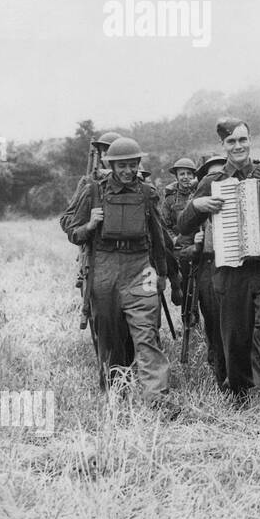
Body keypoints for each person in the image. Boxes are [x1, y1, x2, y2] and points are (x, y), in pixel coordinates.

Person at [177, 117, 260, 420]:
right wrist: (198, 207)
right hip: (230, 270)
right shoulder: (211, 183)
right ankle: (238, 394)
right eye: (231, 142)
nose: (238, 146)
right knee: (235, 337)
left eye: (242, 140)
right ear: (223, 146)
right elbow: (184, 226)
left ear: (250, 140)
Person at [62, 137, 179, 401]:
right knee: (110, 336)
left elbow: (158, 235)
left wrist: (161, 273)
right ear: (112, 166)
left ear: (138, 164)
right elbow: (68, 224)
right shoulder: (94, 191)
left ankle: (157, 398)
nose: (127, 171)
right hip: (104, 268)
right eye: (122, 165)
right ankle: (116, 394)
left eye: (132, 165)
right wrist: (89, 226)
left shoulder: (147, 193)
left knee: (148, 334)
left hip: (141, 267)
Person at [180, 154, 228, 388]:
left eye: (222, 172)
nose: (217, 178)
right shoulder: (195, 208)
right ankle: (221, 375)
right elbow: (182, 248)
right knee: (215, 325)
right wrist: (196, 244)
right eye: (212, 174)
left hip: (237, 270)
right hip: (209, 269)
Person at [161, 156, 198, 314]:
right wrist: (174, 240)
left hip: (199, 245)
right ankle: (189, 319)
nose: (186, 177)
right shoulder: (169, 200)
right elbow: (165, 225)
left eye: (189, 174)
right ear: (176, 176)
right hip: (180, 249)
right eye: (182, 174)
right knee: (185, 286)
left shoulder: (199, 194)